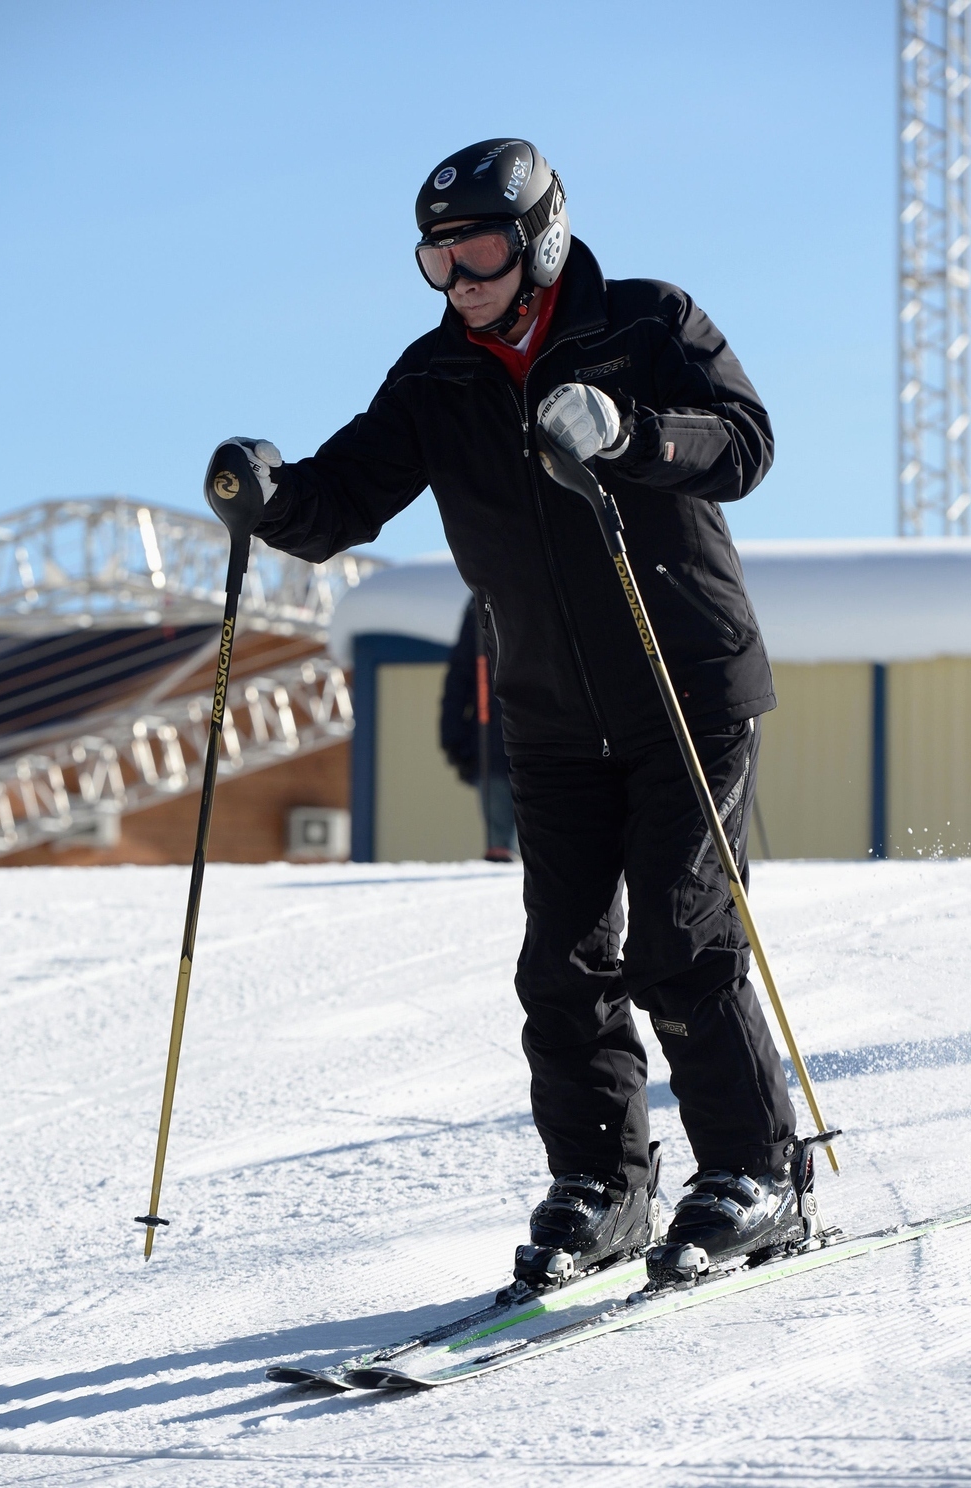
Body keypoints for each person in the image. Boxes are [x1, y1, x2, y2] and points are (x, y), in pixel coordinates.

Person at [215, 137, 801, 1286]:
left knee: (680, 938)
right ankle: (602, 1186)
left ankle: (756, 1172)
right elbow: (343, 501)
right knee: (561, 965)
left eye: (477, 250)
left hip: (684, 681)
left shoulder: (645, 322)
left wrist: (629, 433)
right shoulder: (437, 376)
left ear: (540, 239)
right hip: (550, 712)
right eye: (436, 258)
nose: (458, 278)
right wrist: (270, 496)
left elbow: (744, 445)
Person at [440, 597, 518, 862]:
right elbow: (459, 681)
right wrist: (454, 741)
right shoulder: (480, 607)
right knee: (505, 846)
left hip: (525, 745)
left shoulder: (481, 603)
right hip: (494, 746)